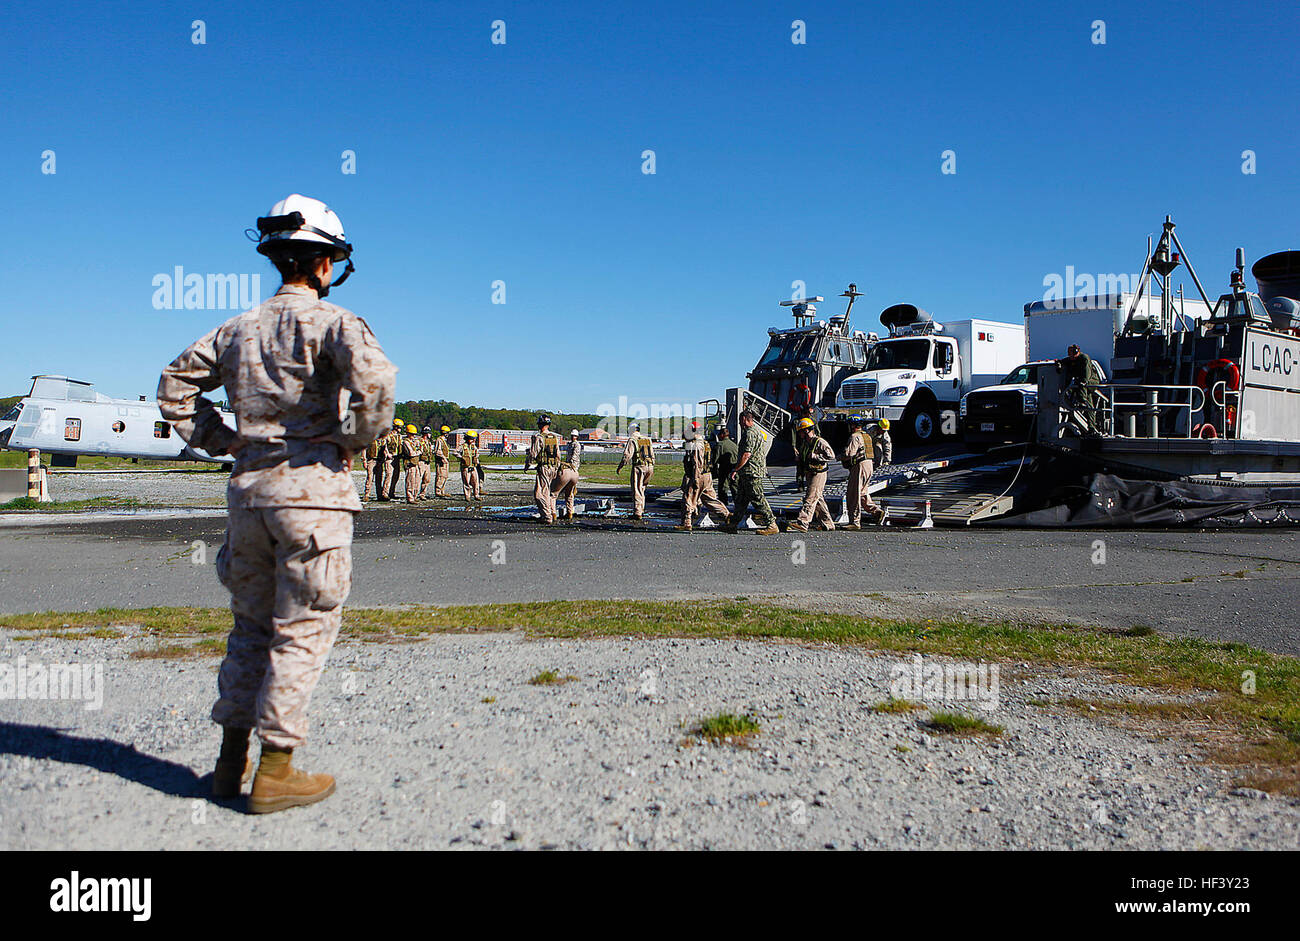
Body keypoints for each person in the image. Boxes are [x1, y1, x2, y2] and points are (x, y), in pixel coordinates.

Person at [157, 193, 396, 814]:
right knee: (302, 629)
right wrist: (348, 441)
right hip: (312, 498)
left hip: (249, 494)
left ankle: (228, 765)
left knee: (251, 629)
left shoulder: (237, 329)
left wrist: (222, 439)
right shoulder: (337, 324)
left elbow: (175, 384)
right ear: (325, 264)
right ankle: (277, 769)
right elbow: (377, 384)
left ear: (276, 258)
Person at [727, 410, 780, 535]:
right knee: (741, 500)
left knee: (757, 498)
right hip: (749, 471)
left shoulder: (750, 434)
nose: (739, 424)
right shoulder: (756, 431)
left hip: (751, 471)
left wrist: (736, 469)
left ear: (745, 419)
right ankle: (733, 524)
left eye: (740, 420)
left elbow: (746, 454)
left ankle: (771, 524)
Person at [675, 422, 731, 531]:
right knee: (709, 499)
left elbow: (697, 462)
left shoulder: (695, 444)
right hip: (707, 475)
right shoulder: (704, 442)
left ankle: (686, 522)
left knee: (688, 498)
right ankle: (727, 515)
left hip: (698, 474)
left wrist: (695, 478)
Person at [787, 417, 836, 532]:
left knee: (810, 498)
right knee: (818, 499)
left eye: (800, 431)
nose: (799, 434)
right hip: (810, 473)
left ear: (806, 431)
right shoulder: (805, 443)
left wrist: (816, 457)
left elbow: (831, 456)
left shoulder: (819, 442)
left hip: (818, 473)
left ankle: (803, 522)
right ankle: (828, 524)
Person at [841, 415, 887, 529]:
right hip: (869, 465)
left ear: (853, 425)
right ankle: (876, 512)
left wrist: (839, 457)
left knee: (853, 494)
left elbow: (849, 454)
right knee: (862, 492)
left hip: (859, 466)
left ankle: (854, 522)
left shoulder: (854, 436)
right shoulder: (866, 435)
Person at [523, 414, 562, 523]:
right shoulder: (554, 438)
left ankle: (547, 516)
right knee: (547, 491)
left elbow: (533, 453)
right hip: (553, 467)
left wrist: (527, 464)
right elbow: (558, 454)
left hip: (544, 467)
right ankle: (548, 513)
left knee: (540, 494)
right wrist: (557, 467)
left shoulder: (539, 438)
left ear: (540, 425)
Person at [1057, 344, 1101, 433]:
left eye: (1073, 353)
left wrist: (1084, 382)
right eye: (1070, 354)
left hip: (1091, 381)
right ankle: (1091, 425)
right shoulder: (1070, 360)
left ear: (1077, 352)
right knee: (1089, 405)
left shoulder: (1084, 358)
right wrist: (1058, 365)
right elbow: (1061, 361)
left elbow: (1087, 373)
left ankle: (1082, 401)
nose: (1071, 356)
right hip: (1080, 384)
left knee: (1081, 387)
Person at [616, 421, 655, 521]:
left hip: (639, 466)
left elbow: (627, 455)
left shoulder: (632, 439)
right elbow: (652, 454)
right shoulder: (647, 439)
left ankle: (637, 512)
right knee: (642, 489)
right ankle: (641, 509)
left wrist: (620, 466)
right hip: (649, 466)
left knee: (637, 489)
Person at [711, 424, 739, 509]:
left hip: (725, 469)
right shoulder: (734, 445)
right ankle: (739, 507)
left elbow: (715, 460)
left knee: (723, 489)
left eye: (719, 435)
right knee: (735, 489)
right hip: (735, 469)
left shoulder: (720, 445)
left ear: (722, 435)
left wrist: (713, 471)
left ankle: (724, 508)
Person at [382, 417, 404, 500]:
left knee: (396, 476)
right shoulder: (388, 436)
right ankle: (385, 493)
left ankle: (392, 492)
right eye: (399, 427)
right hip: (390, 458)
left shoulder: (399, 437)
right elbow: (384, 446)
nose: (400, 429)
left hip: (397, 458)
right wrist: (387, 454)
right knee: (389, 475)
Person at [459, 430, 483, 502]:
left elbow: (477, 453)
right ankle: (467, 496)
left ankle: (476, 495)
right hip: (465, 467)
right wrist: (461, 458)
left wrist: (476, 457)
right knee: (466, 482)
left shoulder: (474, 447)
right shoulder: (462, 447)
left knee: (475, 482)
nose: (473, 440)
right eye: (472, 438)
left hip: (473, 467)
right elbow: (455, 452)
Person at [401, 424, 422, 504]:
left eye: (414, 434)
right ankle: (410, 497)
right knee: (410, 481)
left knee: (416, 481)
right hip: (410, 464)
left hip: (415, 464)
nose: (414, 436)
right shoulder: (406, 442)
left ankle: (414, 496)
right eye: (412, 434)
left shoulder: (413, 442)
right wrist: (419, 452)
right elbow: (411, 453)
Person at [432, 425, 451, 497]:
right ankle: (438, 491)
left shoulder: (444, 441)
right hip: (441, 461)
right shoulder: (439, 440)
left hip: (445, 461)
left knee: (445, 476)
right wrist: (443, 458)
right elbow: (438, 451)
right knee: (440, 476)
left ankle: (442, 490)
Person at [361, 436, 382, 500]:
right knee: (370, 478)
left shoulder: (381, 439)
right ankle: (367, 494)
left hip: (379, 461)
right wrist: (364, 460)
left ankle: (379, 495)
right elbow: (363, 450)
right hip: (371, 460)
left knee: (379, 478)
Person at [417, 426, 434, 499]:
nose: (430, 435)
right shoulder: (419, 441)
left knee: (427, 479)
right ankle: (415, 494)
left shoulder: (429, 442)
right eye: (429, 433)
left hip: (427, 462)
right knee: (418, 478)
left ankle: (422, 494)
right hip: (421, 461)